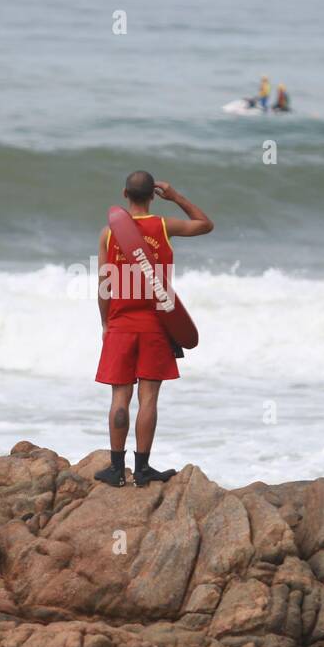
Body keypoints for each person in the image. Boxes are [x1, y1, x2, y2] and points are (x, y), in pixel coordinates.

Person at [94, 171, 214, 487]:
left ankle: (116, 470)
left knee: (120, 397)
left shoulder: (108, 234)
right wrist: (175, 197)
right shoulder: (163, 226)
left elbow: (104, 284)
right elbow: (205, 224)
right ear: (151, 196)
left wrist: (106, 322)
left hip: (120, 323)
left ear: (124, 194)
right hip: (155, 324)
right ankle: (143, 469)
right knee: (148, 399)